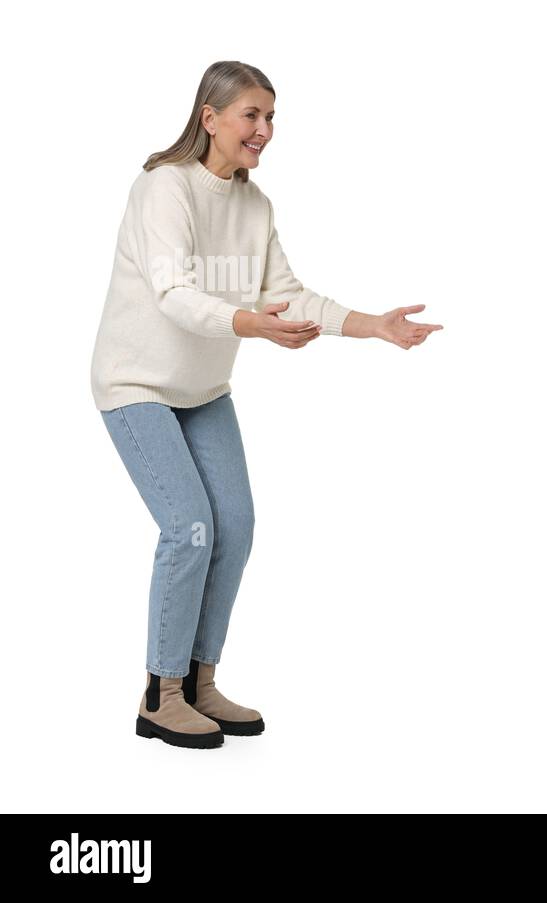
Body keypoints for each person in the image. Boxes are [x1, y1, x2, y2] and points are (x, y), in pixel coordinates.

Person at [90, 60, 441, 749]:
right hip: (136, 383)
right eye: (252, 115)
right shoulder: (163, 190)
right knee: (190, 527)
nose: (265, 129)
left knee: (237, 527)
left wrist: (371, 324)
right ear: (210, 118)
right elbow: (175, 295)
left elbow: (286, 293)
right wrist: (252, 324)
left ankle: (200, 679)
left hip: (202, 388)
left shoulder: (255, 206)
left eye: (271, 117)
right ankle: (161, 694)